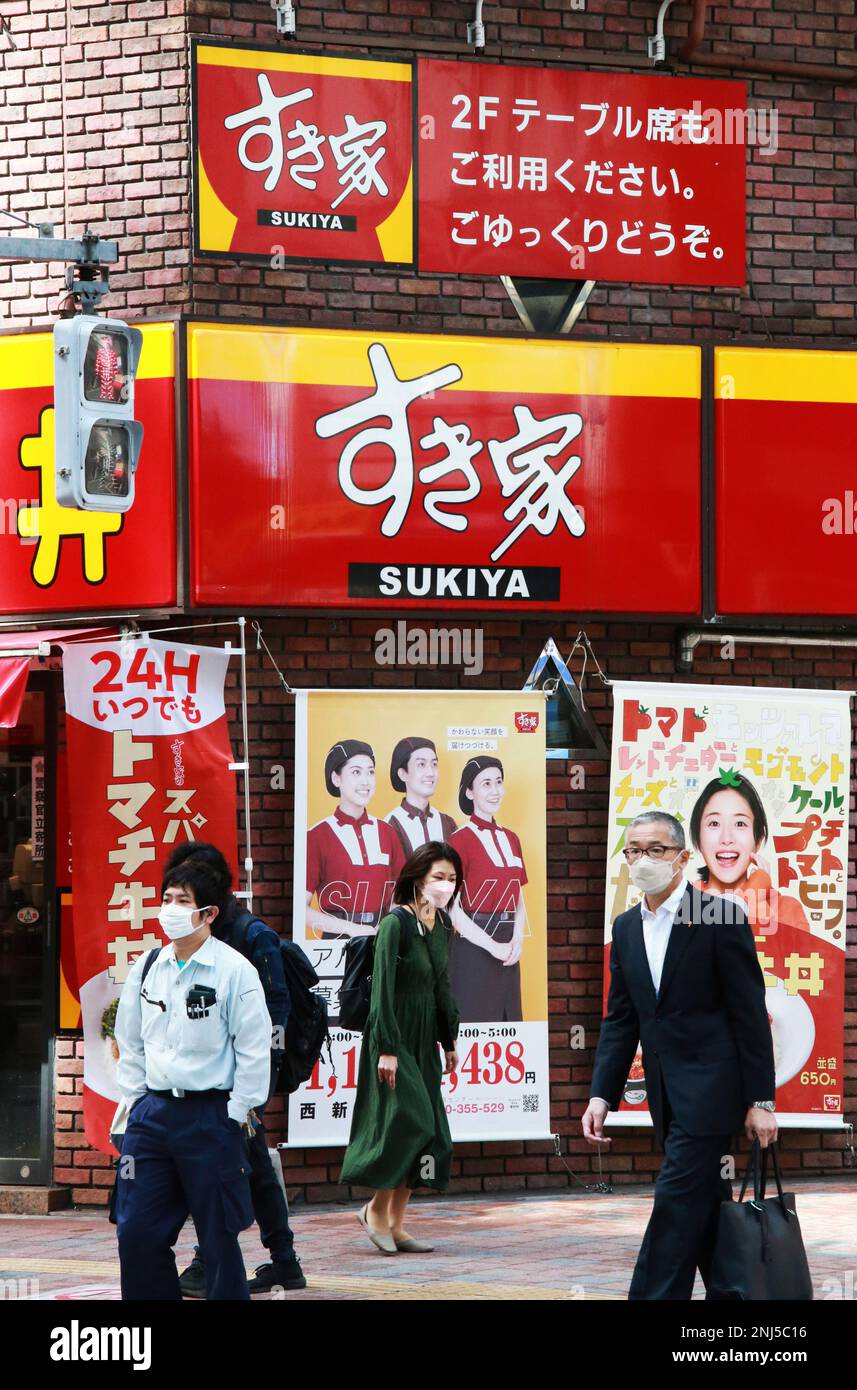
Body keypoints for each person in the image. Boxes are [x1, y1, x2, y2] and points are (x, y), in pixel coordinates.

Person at [582, 811, 777, 1301]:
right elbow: (622, 1020)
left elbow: (749, 1015)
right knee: (704, 1208)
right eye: (633, 851)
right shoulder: (625, 928)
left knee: (673, 1205)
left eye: (655, 850)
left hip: (713, 1093)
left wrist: (762, 1100)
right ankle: (738, 1299)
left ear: (683, 858)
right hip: (666, 1097)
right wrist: (602, 1095)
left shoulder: (720, 916)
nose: (642, 860)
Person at [113, 859, 272, 1301]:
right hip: (152, 1118)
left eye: (183, 901)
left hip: (211, 1117)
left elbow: (254, 1049)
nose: (170, 909)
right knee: (137, 1232)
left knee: (219, 1240)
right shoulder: (148, 967)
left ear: (209, 914)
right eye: (166, 899)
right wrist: (135, 1103)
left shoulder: (234, 970)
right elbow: (129, 1042)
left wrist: (236, 1112)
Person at [161, 844, 307, 1298]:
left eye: (187, 892)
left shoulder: (249, 934)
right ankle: (283, 1260)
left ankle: (211, 1259)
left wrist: (253, 1084)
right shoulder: (185, 943)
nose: (176, 905)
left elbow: (274, 1009)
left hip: (242, 1077)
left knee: (224, 1163)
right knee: (253, 1163)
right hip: (211, 1076)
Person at [340, 841, 460, 1253]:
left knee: (430, 1136)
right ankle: (374, 1210)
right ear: (417, 878)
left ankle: (395, 1223)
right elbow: (383, 995)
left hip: (425, 1037)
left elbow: (441, 984)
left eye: (451, 879)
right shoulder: (396, 924)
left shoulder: (442, 927)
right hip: (392, 1036)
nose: (445, 885)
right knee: (412, 1121)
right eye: (437, 877)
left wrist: (450, 1040)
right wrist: (387, 1047)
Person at [448, 756, 527, 1022]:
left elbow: (519, 896)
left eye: (498, 782)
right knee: (474, 1026)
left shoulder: (512, 838)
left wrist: (517, 939)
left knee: (510, 1025)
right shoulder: (458, 841)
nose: (495, 791)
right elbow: (451, 909)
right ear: (469, 792)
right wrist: (492, 945)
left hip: (509, 948)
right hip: (473, 947)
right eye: (486, 784)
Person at [305, 739, 405, 940]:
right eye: (356, 772)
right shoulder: (317, 836)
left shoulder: (387, 832)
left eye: (370, 772)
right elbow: (300, 909)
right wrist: (353, 929)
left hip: (382, 939)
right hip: (336, 942)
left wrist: (391, 927)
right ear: (336, 778)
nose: (366, 781)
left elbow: (403, 893)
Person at [689, 770, 811, 934]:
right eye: (714, 823)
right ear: (698, 839)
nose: (726, 838)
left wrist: (754, 898)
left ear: (758, 839)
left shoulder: (787, 911)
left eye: (740, 824)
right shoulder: (680, 904)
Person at [385, 736, 457, 858]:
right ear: (403, 774)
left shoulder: (448, 823)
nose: (430, 772)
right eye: (421, 764)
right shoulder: (390, 825)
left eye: (434, 764)